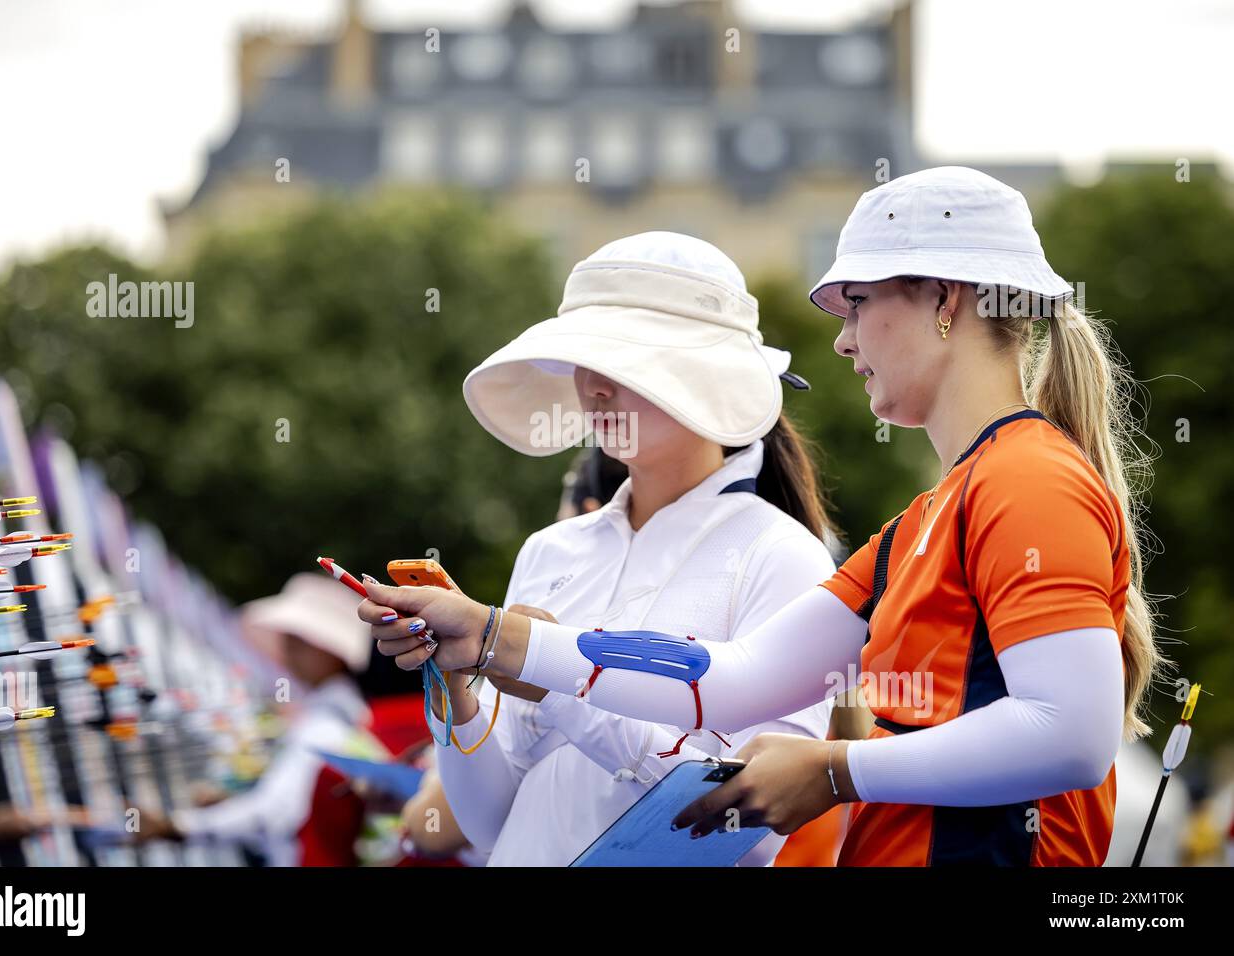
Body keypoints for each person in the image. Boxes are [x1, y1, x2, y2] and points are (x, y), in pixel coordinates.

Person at [362, 168, 1163, 866]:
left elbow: (1072, 734)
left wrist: (837, 769)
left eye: (854, 305)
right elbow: (734, 677)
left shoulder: (1027, 477)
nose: (843, 342)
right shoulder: (926, 518)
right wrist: (493, 637)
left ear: (945, 300)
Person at [398, 232, 841, 866]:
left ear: (706, 374)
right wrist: (454, 686)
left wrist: (550, 675)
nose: (593, 387)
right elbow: (493, 826)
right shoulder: (549, 551)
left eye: (623, 363)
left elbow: (748, 821)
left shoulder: (782, 555)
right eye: (585, 359)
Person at [138, 573, 374, 865]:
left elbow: (274, 814)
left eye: (298, 641)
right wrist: (231, 803)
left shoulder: (328, 726)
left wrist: (180, 826)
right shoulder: (338, 718)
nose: (286, 651)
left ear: (328, 651)